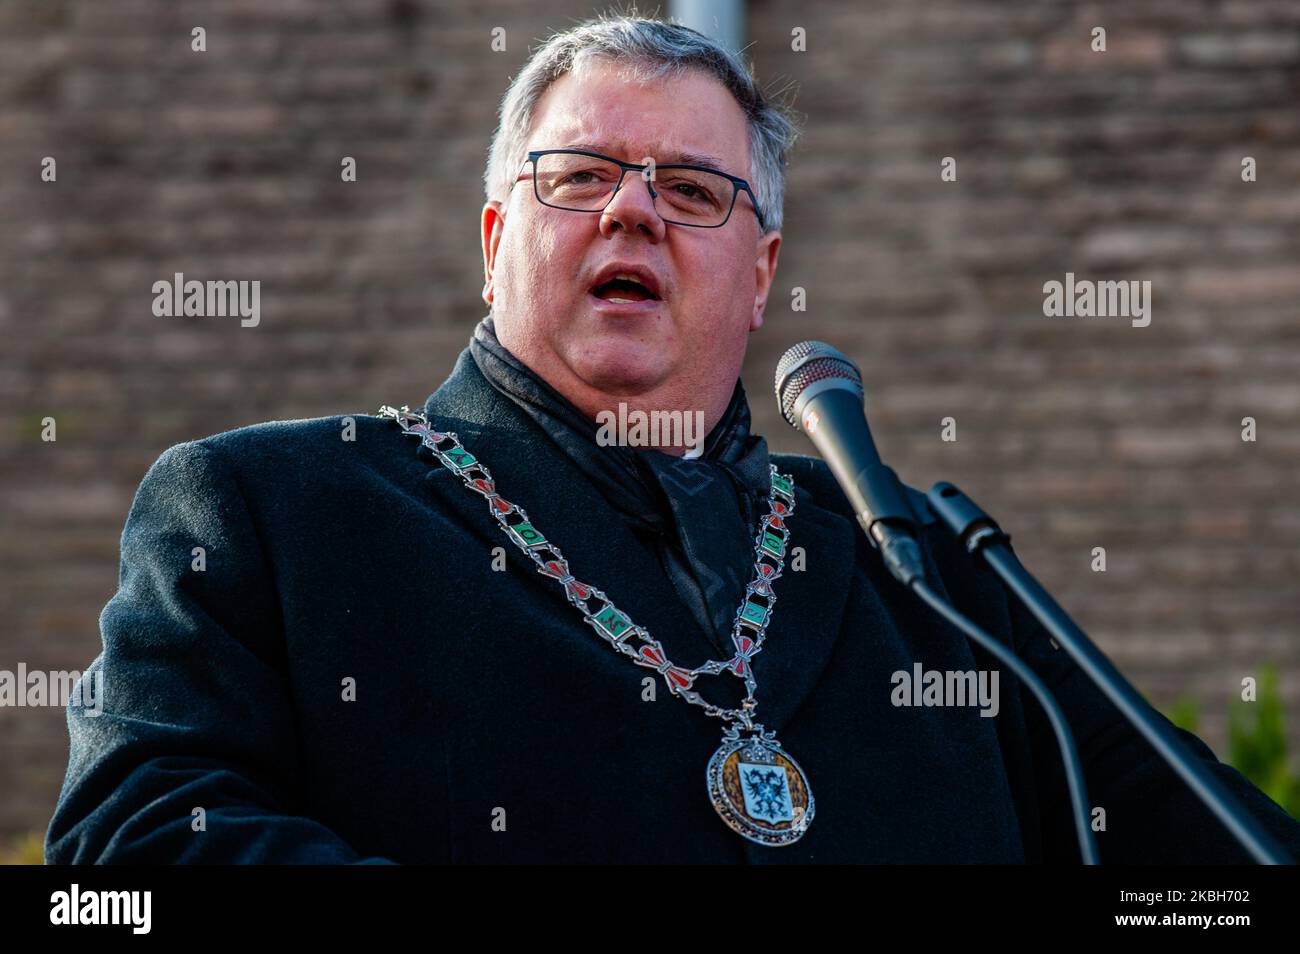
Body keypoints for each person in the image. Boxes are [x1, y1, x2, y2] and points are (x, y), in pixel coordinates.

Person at [46, 14, 1300, 863]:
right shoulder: (272, 509)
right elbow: (129, 852)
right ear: (494, 246)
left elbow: (1216, 858)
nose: (635, 208)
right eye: (580, 176)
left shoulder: (923, 578)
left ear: (759, 277)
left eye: (693, 192)